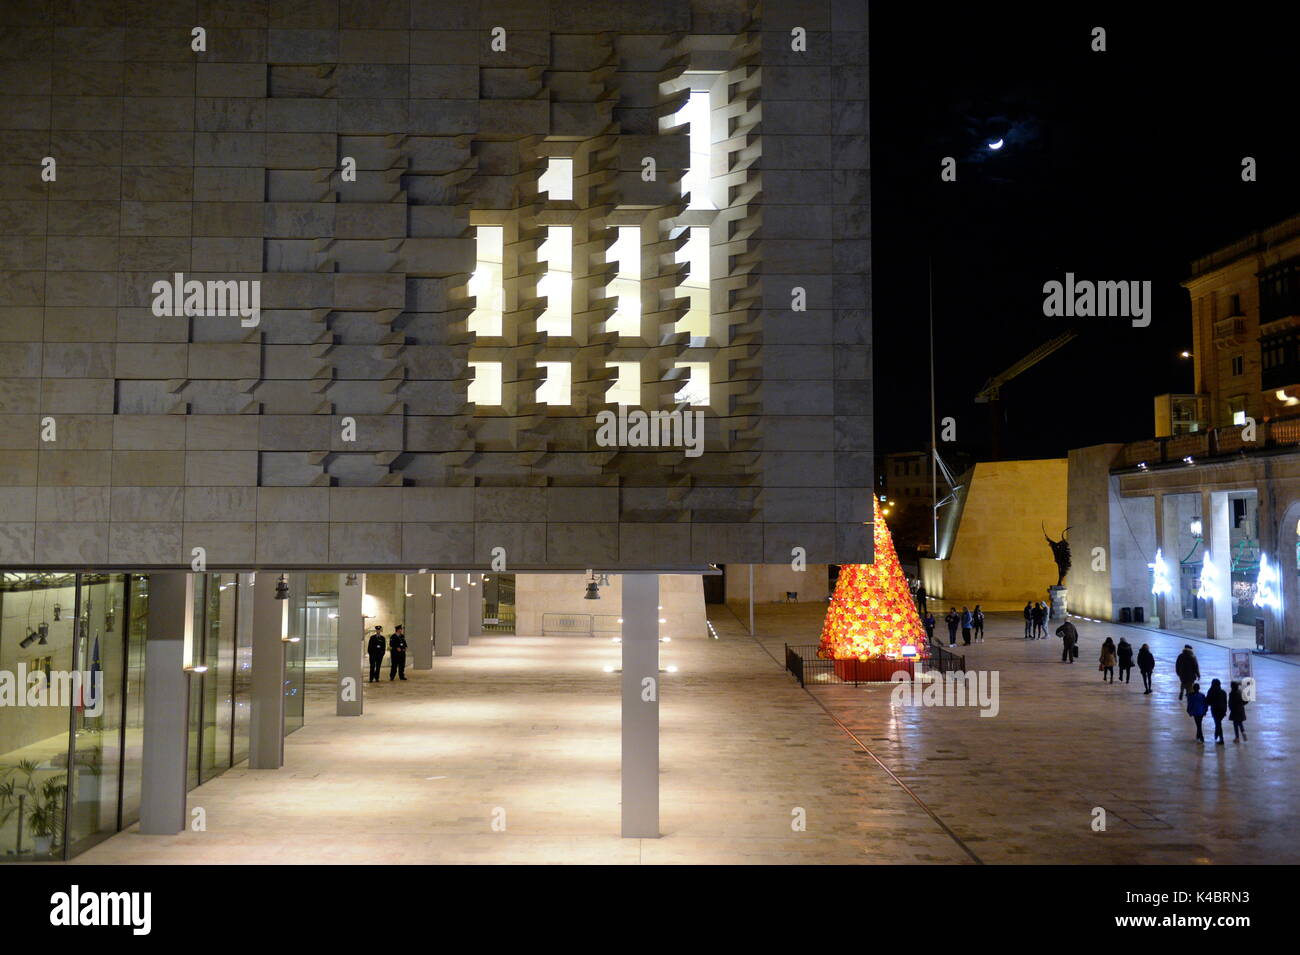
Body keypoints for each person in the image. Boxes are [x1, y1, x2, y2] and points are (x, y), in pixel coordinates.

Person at [1205, 678, 1228, 744]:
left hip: (1215, 710)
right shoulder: (1223, 692)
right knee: (1218, 723)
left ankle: (1220, 737)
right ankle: (1218, 735)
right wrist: (1225, 710)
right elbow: (1225, 702)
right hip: (1222, 710)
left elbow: (1208, 701)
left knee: (1218, 724)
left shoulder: (1211, 691)